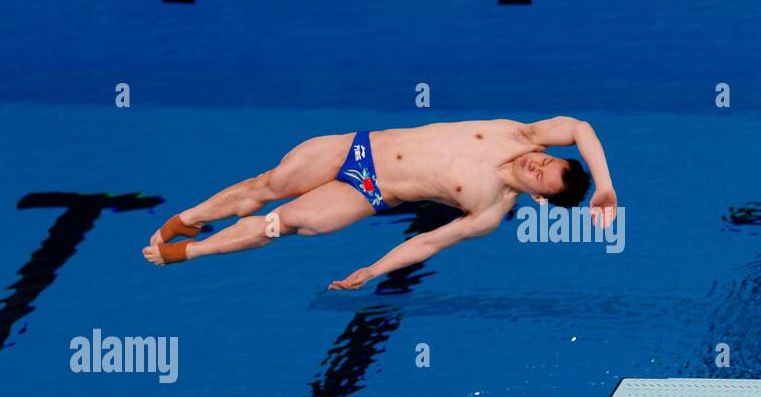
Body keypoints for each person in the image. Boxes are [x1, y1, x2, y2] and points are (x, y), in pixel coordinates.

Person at [142, 118, 616, 289]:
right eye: (544, 161)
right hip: (358, 148)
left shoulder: (488, 210)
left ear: (537, 196)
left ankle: (192, 251)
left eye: (542, 177)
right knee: (268, 184)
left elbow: (427, 244)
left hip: (368, 191)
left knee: (286, 223)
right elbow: (580, 129)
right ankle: (187, 220)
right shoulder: (518, 133)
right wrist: (605, 187)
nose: (536, 165)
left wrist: (372, 271)